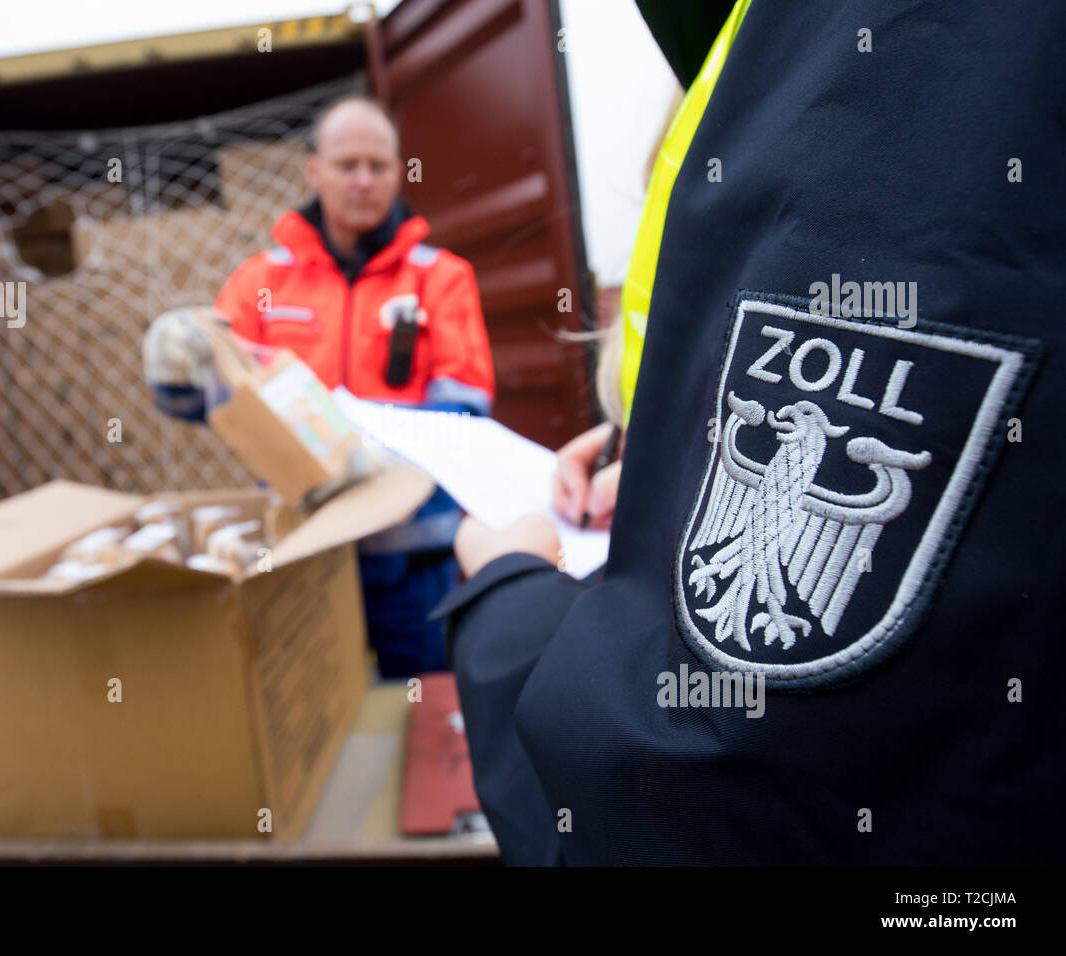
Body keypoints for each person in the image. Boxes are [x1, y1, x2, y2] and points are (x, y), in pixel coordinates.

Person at [435, 0, 1064, 865]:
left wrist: (504, 597)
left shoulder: (914, 47)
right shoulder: (766, 36)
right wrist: (656, 461)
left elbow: (699, 817)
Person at [213, 95, 496, 678]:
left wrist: (371, 452)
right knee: (317, 726)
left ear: (399, 171)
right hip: (304, 550)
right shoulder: (260, 280)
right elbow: (218, 389)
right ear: (314, 170)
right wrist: (182, 368)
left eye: (379, 165)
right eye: (347, 165)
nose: (364, 180)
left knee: (424, 716)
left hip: (414, 560)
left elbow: (464, 405)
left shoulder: (441, 277)